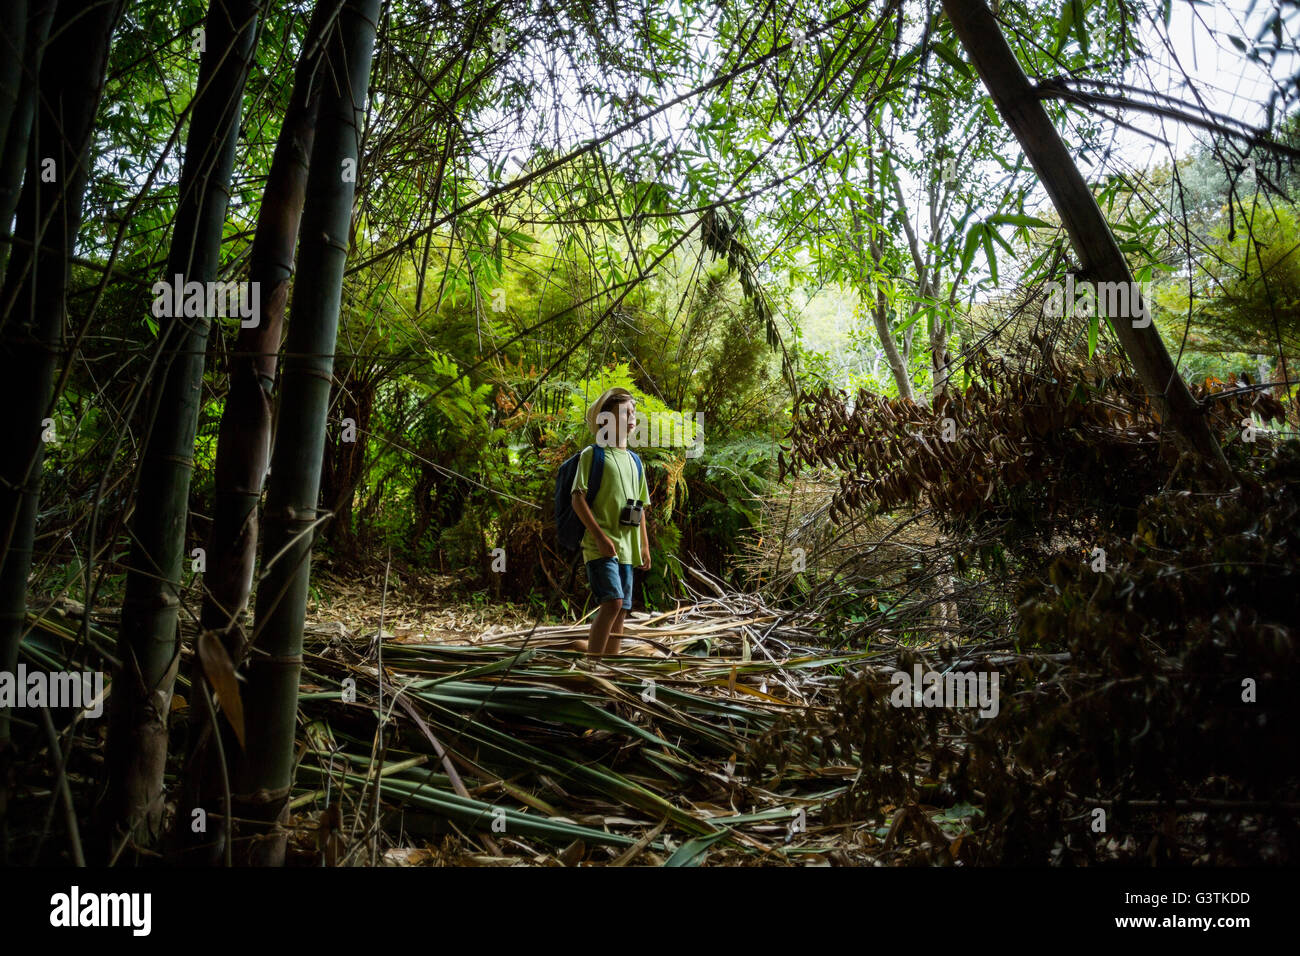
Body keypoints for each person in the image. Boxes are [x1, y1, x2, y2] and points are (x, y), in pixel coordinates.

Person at [570, 387, 651, 656]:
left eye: (634, 412)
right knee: (613, 602)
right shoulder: (593, 455)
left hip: (627, 549)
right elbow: (577, 499)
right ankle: (592, 665)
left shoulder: (635, 461)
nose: (632, 417)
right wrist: (600, 538)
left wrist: (644, 547)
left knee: (623, 610)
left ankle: (611, 666)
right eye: (626, 411)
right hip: (600, 547)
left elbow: (639, 507)